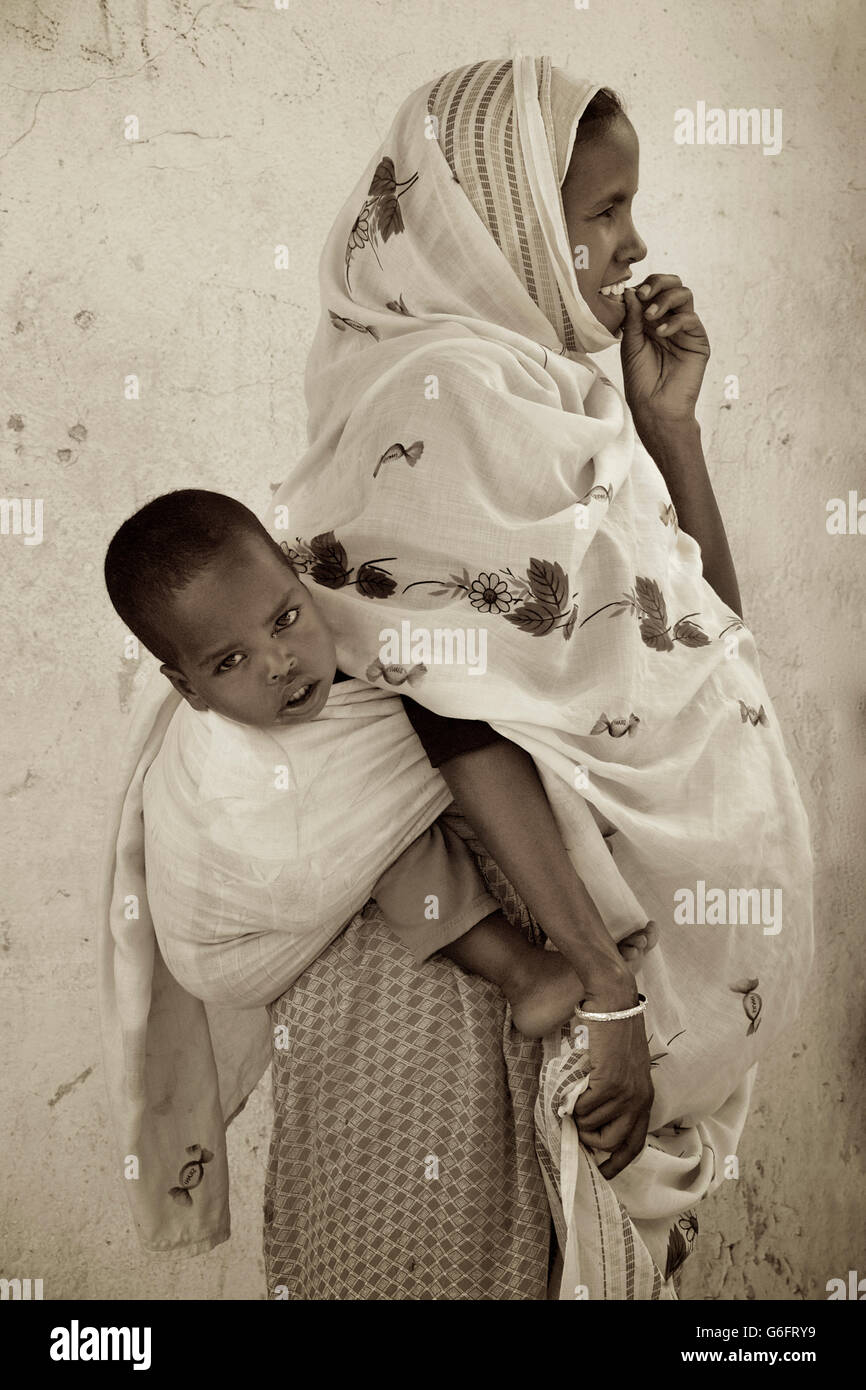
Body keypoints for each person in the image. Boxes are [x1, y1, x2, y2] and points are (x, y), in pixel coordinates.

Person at [263, 51, 814, 1288]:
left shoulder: (555, 400)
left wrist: (668, 429)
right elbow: (451, 710)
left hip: (569, 970)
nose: (630, 247)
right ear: (503, 219)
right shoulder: (439, 391)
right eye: (599, 212)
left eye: (630, 207)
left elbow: (704, 650)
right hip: (472, 981)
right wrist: (607, 991)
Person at [103, 487, 654, 1036]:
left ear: (307, 587)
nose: (279, 663)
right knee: (396, 843)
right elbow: (284, 853)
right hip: (229, 942)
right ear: (187, 689)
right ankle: (521, 973)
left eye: (286, 618)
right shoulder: (229, 765)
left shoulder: (377, 623)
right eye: (231, 661)